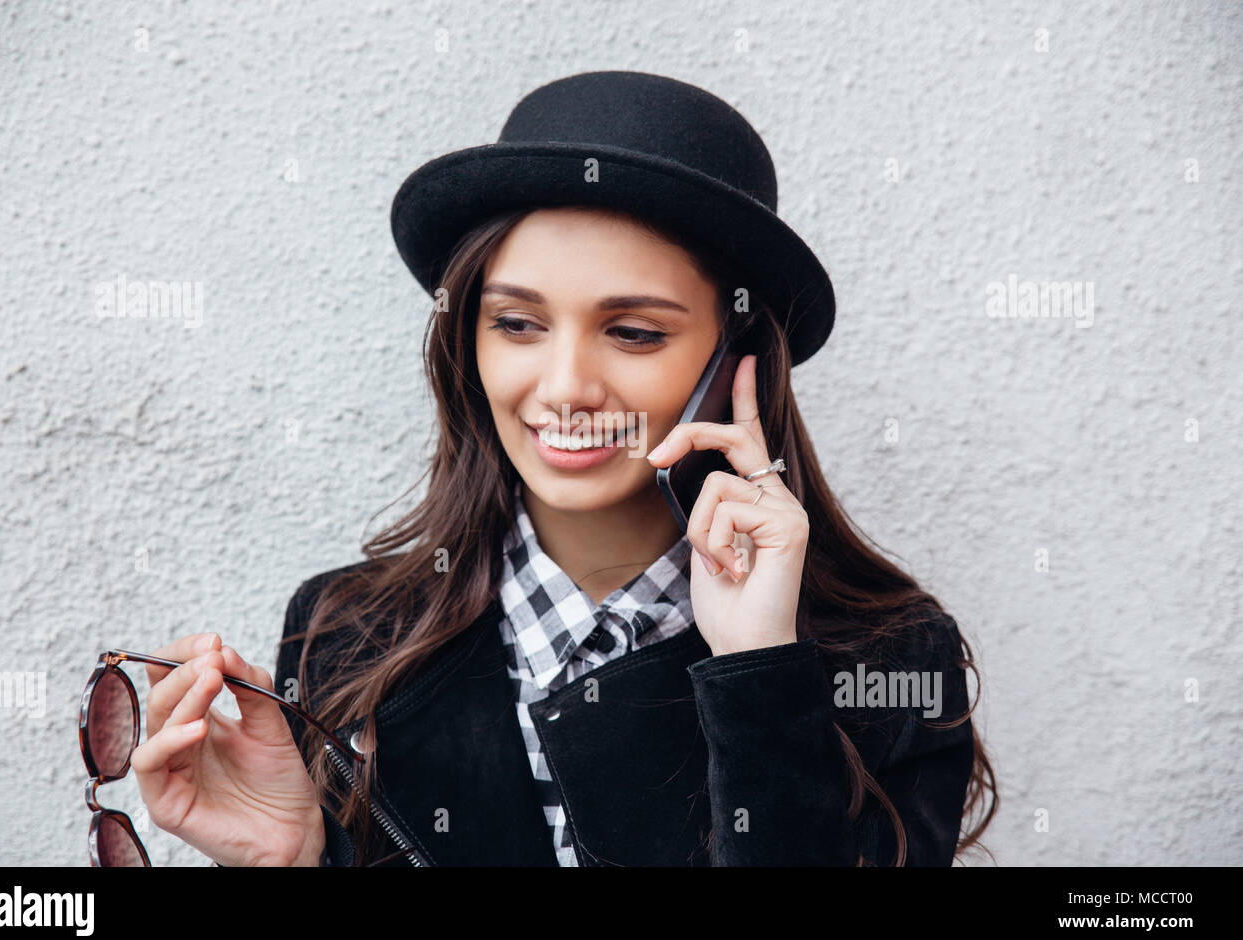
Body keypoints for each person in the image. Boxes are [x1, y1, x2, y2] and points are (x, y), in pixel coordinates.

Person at [132, 70, 997, 867]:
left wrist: (758, 678)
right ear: (468, 343)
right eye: (517, 324)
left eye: (633, 332)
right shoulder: (343, 632)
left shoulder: (887, 659)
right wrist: (293, 860)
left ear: (735, 360)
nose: (566, 387)